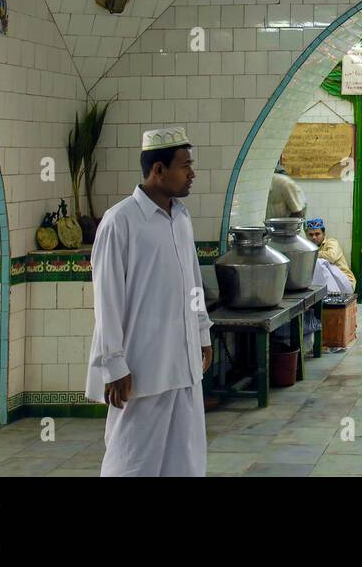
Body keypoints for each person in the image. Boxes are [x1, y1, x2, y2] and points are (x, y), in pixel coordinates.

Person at [86, 127, 212, 477]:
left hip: (183, 362)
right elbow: (107, 298)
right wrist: (113, 364)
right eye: (184, 166)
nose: (192, 174)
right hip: (141, 367)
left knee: (184, 458)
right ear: (159, 170)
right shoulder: (120, 222)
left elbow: (192, 283)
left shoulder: (181, 217)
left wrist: (202, 333)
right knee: (133, 461)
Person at [306, 218, 355, 294]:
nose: (314, 237)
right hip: (329, 286)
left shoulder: (332, 242)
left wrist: (311, 255)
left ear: (324, 234)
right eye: (311, 235)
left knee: (319, 262)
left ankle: (331, 295)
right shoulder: (308, 248)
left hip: (345, 284)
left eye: (317, 234)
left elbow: (331, 257)